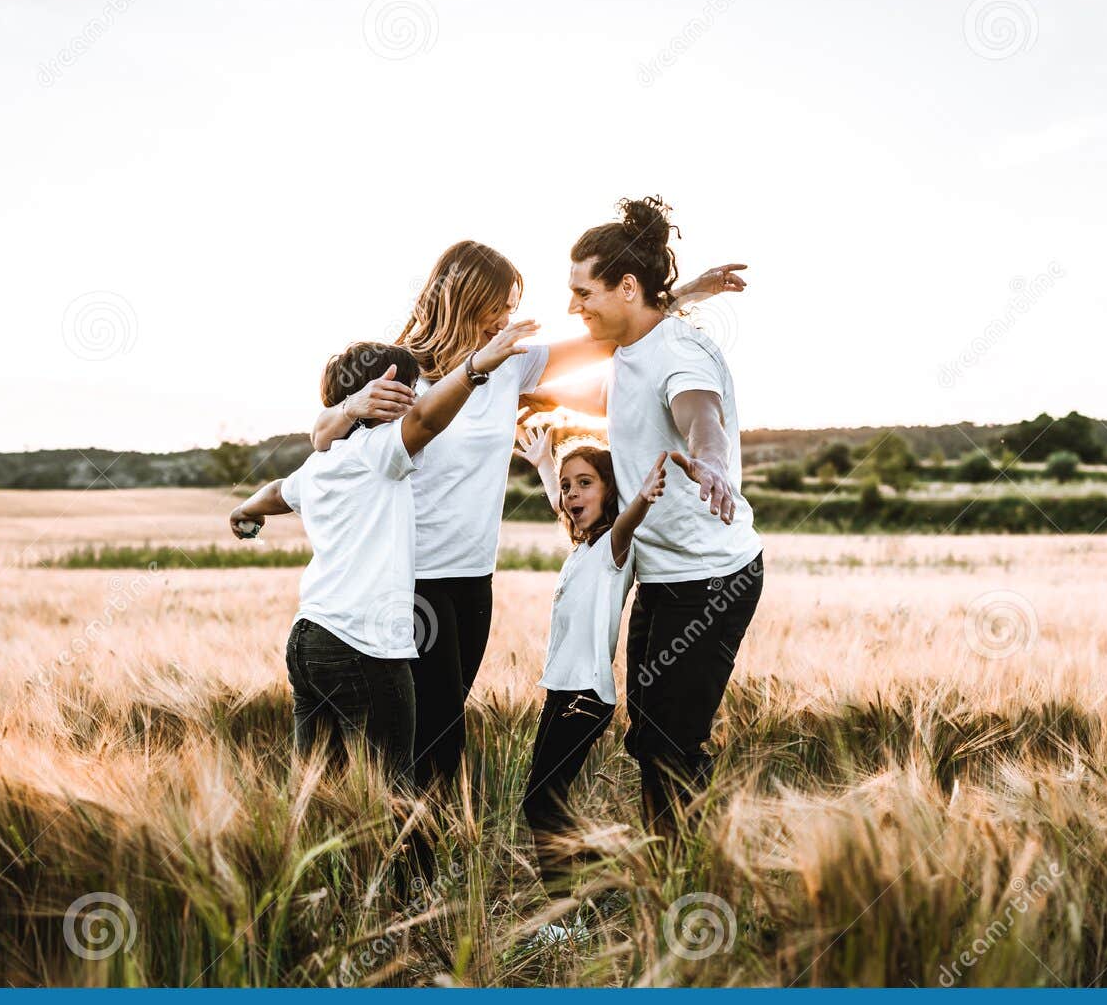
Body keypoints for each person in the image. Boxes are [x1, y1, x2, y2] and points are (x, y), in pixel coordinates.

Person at [306, 241, 745, 792]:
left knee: (442, 732)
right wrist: (347, 408)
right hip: (409, 579)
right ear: (467, 299)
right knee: (429, 742)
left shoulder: (511, 366)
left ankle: (424, 860)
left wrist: (684, 294)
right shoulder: (402, 369)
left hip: (472, 582)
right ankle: (407, 866)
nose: (509, 319)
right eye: (501, 305)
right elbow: (324, 441)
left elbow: (604, 333)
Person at [228, 321, 537, 776]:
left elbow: (278, 491)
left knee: (319, 787)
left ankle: (315, 849)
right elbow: (428, 421)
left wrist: (243, 510)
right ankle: (404, 853)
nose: (418, 399)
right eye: (411, 390)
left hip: (308, 639)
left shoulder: (324, 462)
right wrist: (475, 368)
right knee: (394, 790)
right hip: (366, 649)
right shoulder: (380, 452)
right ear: (386, 396)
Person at [547, 196, 764, 836]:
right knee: (648, 737)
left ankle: (682, 883)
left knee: (671, 747)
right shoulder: (635, 339)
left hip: (711, 581)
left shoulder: (681, 354)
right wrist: (684, 291)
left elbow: (701, 413)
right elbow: (653, 318)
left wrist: (713, 461)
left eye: (584, 292)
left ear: (628, 286)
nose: (573, 306)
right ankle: (668, 872)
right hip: (663, 575)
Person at [512, 427, 667, 909]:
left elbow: (624, 524)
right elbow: (564, 509)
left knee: (540, 804)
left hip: (585, 696)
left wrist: (640, 497)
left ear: (609, 491)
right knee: (545, 804)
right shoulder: (582, 549)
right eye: (567, 485)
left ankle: (576, 909)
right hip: (562, 693)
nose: (572, 493)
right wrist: (543, 465)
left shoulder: (613, 551)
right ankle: (604, 887)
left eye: (585, 483)